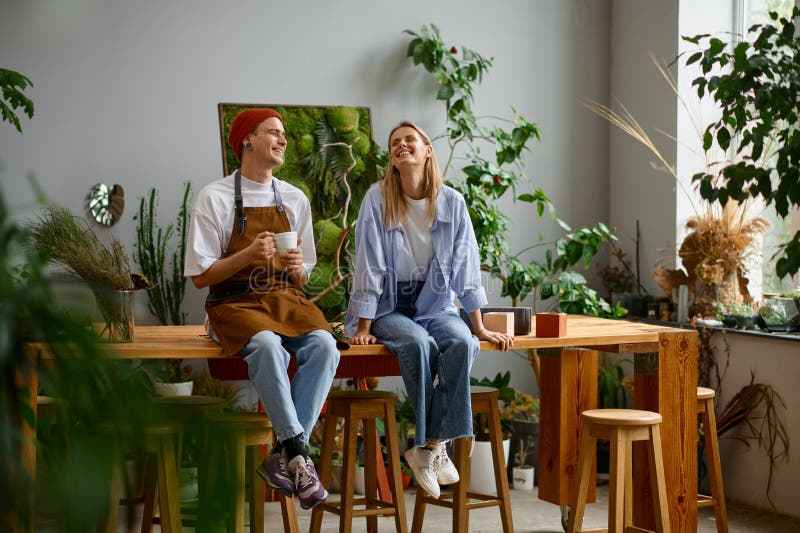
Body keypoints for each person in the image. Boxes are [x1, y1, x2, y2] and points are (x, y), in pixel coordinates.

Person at [345, 121, 514, 499]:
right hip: (390, 305)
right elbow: (368, 264)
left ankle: (431, 446)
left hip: (436, 303)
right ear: (391, 157)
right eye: (394, 143)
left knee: (462, 343)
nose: (401, 146)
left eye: (409, 140)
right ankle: (432, 445)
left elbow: (467, 268)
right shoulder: (377, 198)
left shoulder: (452, 203)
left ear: (427, 150)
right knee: (420, 345)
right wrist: (364, 325)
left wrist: (480, 326)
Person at [185, 108, 339, 509]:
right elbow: (201, 276)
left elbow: (304, 275)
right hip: (233, 301)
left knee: (325, 345)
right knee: (268, 345)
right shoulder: (214, 197)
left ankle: (285, 456)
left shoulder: (294, 198)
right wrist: (249, 253)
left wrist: (297, 269)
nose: (283, 139)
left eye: (284, 134)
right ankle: (299, 455)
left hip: (285, 297)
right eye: (274, 132)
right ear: (246, 140)